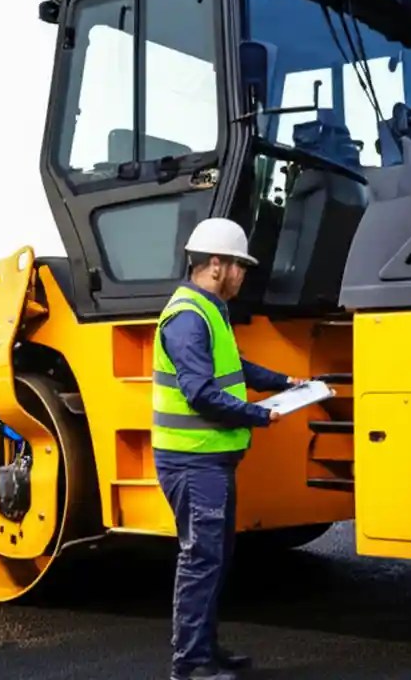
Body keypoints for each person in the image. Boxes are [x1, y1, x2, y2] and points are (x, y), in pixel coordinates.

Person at [151, 217, 302, 680]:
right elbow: (199, 392)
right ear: (216, 265)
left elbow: (235, 368)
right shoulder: (188, 318)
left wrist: (284, 383)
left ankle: (206, 651)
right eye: (240, 266)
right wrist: (261, 414)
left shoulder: (209, 309)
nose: (243, 275)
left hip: (209, 459)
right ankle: (190, 664)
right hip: (193, 461)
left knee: (213, 558)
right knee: (201, 559)